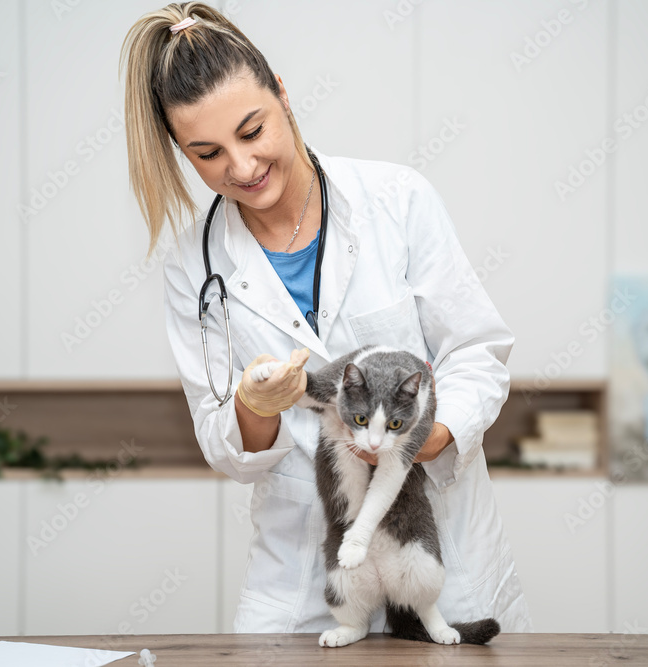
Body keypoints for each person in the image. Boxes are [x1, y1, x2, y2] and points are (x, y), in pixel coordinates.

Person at [120, 2, 533, 635]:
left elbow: (476, 352)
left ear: (282, 96)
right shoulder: (192, 266)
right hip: (301, 586)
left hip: (438, 551)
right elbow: (224, 446)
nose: (240, 167)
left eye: (252, 131)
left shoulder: (397, 201)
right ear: (182, 152)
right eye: (206, 153)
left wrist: (417, 442)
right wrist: (256, 403)